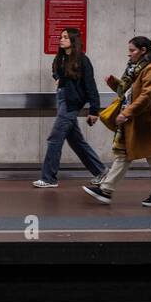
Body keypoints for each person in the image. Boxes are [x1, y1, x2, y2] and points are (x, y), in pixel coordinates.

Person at [82, 36, 151, 207]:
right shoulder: (137, 70)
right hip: (138, 123)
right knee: (124, 154)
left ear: (143, 50)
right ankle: (106, 190)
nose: (129, 54)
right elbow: (128, 92)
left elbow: (146, 96)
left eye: (132, 50)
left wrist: (127, 113)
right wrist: (113, 82)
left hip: (150, 124)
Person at [33, 27, 107, 188]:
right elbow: (56, 72)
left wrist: (95, 110)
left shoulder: (82, 60)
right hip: (61, 99)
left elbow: (90, 85)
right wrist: (58, 78)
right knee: (76, 141)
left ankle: (48, 178)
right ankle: (101, 172)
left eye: (65, 37)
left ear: (73, 40)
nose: (61, 39)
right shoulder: (60, 58)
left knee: (54, 138)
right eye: (61, 37)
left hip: (71, 103)